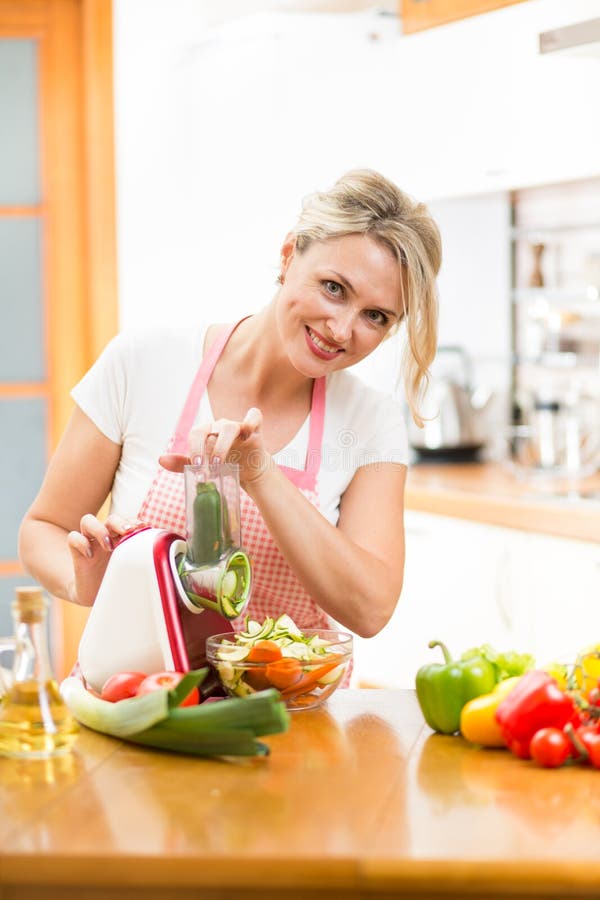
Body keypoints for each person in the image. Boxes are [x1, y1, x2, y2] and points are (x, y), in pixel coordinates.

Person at [19, 169, 441, 640]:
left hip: (291, 709)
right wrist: (84, 583)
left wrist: (260, 475)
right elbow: (43, 529)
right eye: (333, 287)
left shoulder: (371, 421)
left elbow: (371, 610)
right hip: (143, 698)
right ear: (288, 256)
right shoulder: (141, 363)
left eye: (375, 316)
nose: (342, 330)